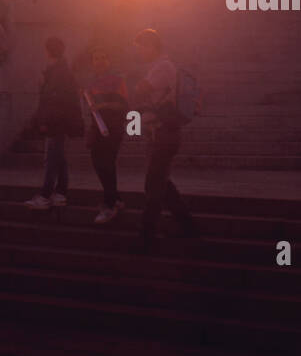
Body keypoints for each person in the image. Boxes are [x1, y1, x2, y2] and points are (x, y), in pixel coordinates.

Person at [132, 28, 199, 253]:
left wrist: (136, 87)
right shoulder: (161, 66)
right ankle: (188, 225)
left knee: (153, 184)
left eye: (140, 48)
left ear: (151, 46)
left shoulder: (162, 66)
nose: (138, 53)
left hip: (164, 134)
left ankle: (146, 235)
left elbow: (140, 90)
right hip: (161, 133)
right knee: (162, 182)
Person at [24, 37, 83, 210]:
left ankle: (45, 195)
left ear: (48, 51)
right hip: (61, 121)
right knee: (60, 158)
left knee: (51, 158)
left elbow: (51, 100)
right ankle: (61, 193)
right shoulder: (62, 71)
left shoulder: (57, 72)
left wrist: (43, 121)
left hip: (55, 122)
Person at [81, 46, 129, 224]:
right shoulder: (92, 84)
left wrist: (103, 106)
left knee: (107, 164)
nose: (99, 61)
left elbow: (124, 105)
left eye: (103, 57)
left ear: (109, 61)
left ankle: (109, 205)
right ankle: (115, 198)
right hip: (98, 128)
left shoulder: (118, 80)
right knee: (97, 162)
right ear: (92, 63)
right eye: (96, 58)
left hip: (113, 129)